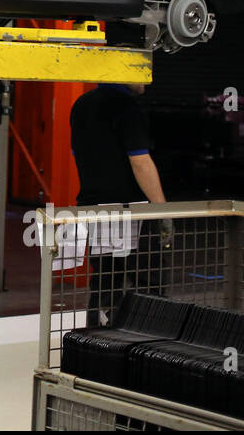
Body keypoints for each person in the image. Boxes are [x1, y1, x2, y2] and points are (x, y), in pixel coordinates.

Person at [69, 81, 170, 327]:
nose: (147, 78)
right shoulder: (127, 107)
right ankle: (145, 340)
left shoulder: (81, 105)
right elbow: (140, 162)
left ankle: (97, 341)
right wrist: (162, 212)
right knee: (148, 281)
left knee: (105, 280)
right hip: (131, 211)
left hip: (97, 208)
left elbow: (77, 154)